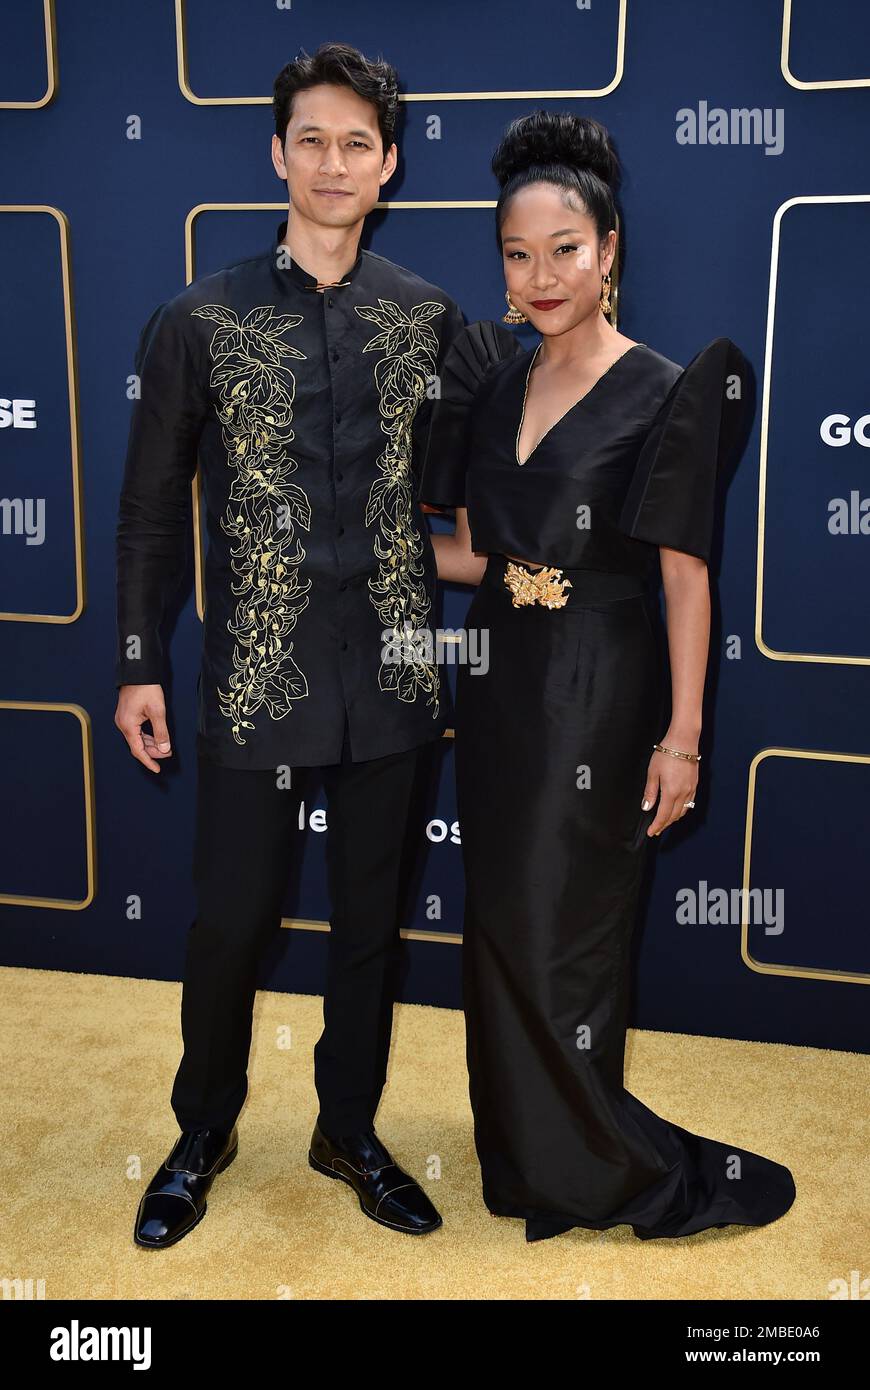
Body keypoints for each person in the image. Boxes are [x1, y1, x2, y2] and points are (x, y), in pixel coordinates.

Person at [418, 111, 796, 1241]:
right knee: (500, 922)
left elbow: (686, 577)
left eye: (565, 250)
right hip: (499, 677)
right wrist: (349, 544)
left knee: (562, 930)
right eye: (518, 255)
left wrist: (681, 737)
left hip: (600, 685)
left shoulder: (667, 390)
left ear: (610, 248)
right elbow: (481, 553)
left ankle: (599, 1161)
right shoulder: (493, 385)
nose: (541, 277)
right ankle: (529, 1156)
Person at [114, 42, 466, 1248]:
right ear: (276, 153)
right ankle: (202, 1126)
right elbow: (152, 507)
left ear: (389, 167)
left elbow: (486, 478)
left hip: (396, 672)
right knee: (231, 923)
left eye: (355, 144)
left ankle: (348, 1131)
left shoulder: (427, 318)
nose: (331, 162)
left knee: (373, 925)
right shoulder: (197, 320)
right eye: (310, 139)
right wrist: (134, 660)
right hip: (255, 678)